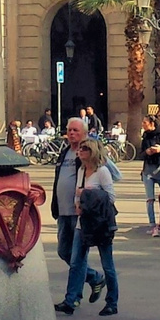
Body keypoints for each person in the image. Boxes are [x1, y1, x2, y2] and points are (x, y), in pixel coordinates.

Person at [56, 138, 119, 317]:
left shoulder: (102, 172)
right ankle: (70, 300)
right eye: (80, 149)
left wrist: (86, 194)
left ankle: (111, 302)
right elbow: (77, 194)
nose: (80, 152)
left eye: (84, 149)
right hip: (83, 223)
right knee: (76, 262)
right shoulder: (82, 170)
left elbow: (110, 197)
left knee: (107, 265)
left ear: (92, 152)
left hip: (101, 223)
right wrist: (78, 203)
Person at [50, 118, 103, 302]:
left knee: (77, 259)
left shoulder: (88, 153)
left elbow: (109, 173)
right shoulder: (65, 152)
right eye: (69, 130)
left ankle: (72, 299)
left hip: (80, 213)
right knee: (64, 252)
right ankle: (95, 278)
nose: (71, 133)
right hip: (63, 212)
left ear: (85, 133)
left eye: (75, 130)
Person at [137, 115, 160, 236]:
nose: (143, 124)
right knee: (150, 199)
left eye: (145, 122)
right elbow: (141, 154)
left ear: (152, 123)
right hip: (148, 170)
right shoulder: (145, 137)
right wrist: (147, 152)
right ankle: (152, 225)